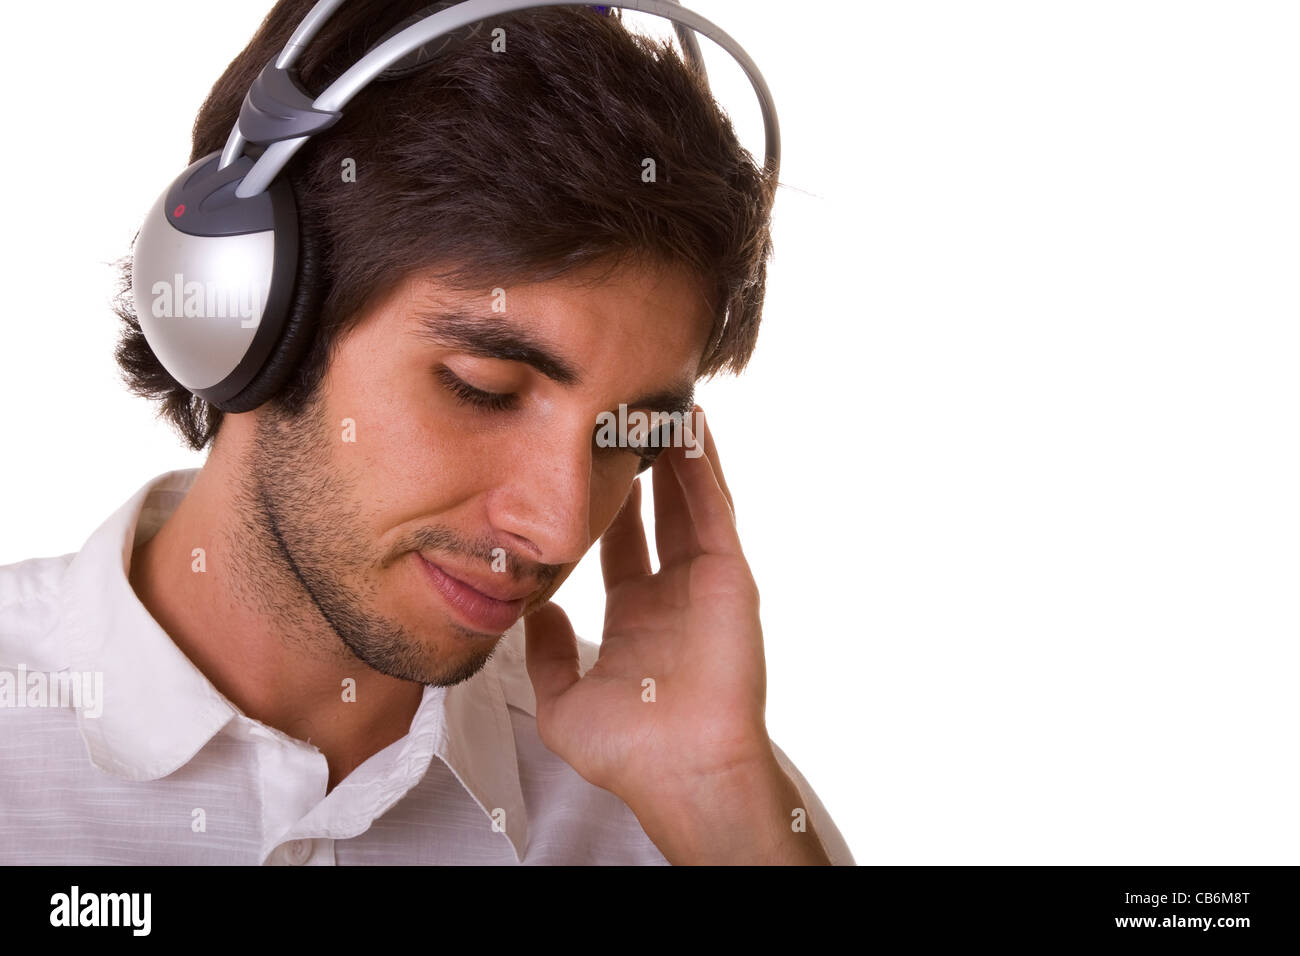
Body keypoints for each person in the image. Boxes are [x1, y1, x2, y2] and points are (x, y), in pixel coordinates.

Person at [0, 0, 853, 865]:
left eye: (626, 436)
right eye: (483, 389)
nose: (557, 530)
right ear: (246, 318)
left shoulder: (699, 806)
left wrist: (720, 808)